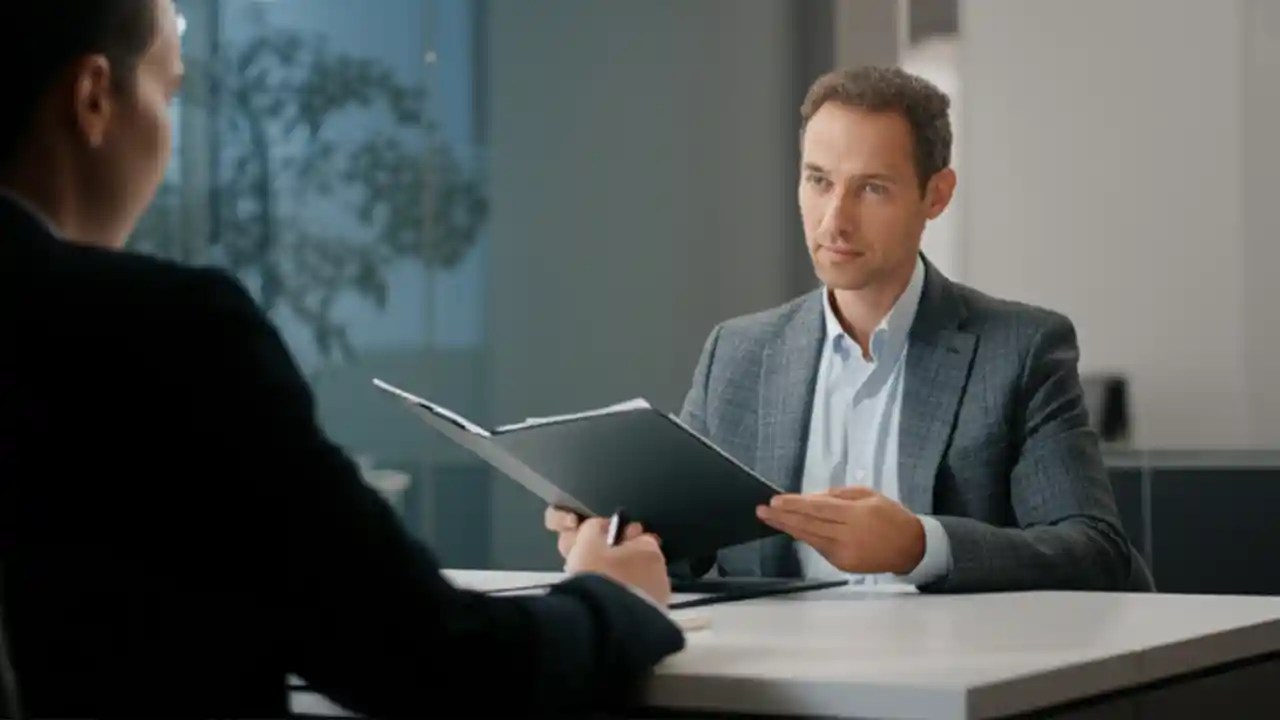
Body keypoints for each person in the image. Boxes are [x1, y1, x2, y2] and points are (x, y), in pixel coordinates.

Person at [0, 1, 683, 717]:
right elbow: (438, 663)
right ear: (94, 98)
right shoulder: (165, 337)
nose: (170, 131)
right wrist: (613, 597)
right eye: (168, 95)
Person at [548, 66, 1150, 594]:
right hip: (768, 682)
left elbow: (1094, 551)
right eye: (819, 180)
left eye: (872, 189)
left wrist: (920, 546)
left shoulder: (1019, 350)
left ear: (935, 195)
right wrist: (615, 533)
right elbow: (684, 552)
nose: (836, 219)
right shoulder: (738, 354)